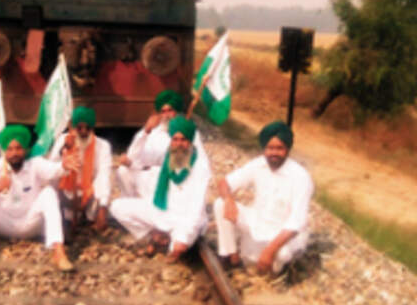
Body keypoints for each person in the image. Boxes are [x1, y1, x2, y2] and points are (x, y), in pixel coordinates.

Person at [0, 124, 79, 271]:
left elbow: (53, 170)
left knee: (49, 193)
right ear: (4, 151)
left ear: (25, 150)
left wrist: (63, 166)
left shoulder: (34, 164)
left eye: (18, 148)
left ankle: (58, 253)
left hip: (30, 223)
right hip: (4, 225)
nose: (14, 153)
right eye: (10, 149)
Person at [213, 121, 313, 274]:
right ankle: (230, 256)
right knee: (220, 204)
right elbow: (224, 183)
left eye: (279, 148)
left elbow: (296, 222)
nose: (274, 153)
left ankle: (273, 264)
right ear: (264, 148)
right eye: (270, 148)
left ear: (288, 149)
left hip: (284, 233)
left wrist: (270, 251)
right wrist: (229, 200)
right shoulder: (258, 164)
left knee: (281, 256)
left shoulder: (300, 177)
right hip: (258, 221)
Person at [109, 116, 210, 263]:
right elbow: (136, 162)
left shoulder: (200, 166)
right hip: (163, 212)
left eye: (183, 140)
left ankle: (169, 238)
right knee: (117, 207)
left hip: (185, 220)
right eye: (175, 139)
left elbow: (197, 208)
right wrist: (145, 132)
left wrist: (184, 236)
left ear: (190, 142)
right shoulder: (169, 158)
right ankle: (155, 235)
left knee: (178, 248)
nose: (179, 144)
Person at [48, 106, 112, 231]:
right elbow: (50, 168)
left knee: (95, 213)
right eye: (79, 127)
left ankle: (90, 215)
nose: (83, 131)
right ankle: (62, 215)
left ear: (93, 128)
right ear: (73, 127)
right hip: (66, 192)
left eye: (88, 128)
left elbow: (104, 176)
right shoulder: (63, 140)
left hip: (88, 194)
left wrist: (103, 208)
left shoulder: (103, 146)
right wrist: (65, 149)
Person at [116, 90, 182, 198]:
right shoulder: (154, 133)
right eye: (163, 111)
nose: (166, 115)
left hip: (170, 182)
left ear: (177, 112)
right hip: (148, 176)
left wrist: (142, 167)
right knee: (123, 171)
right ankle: (132, 207)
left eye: (170, 110)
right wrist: (146, 131)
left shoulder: (185, 134)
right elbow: (133, 158)